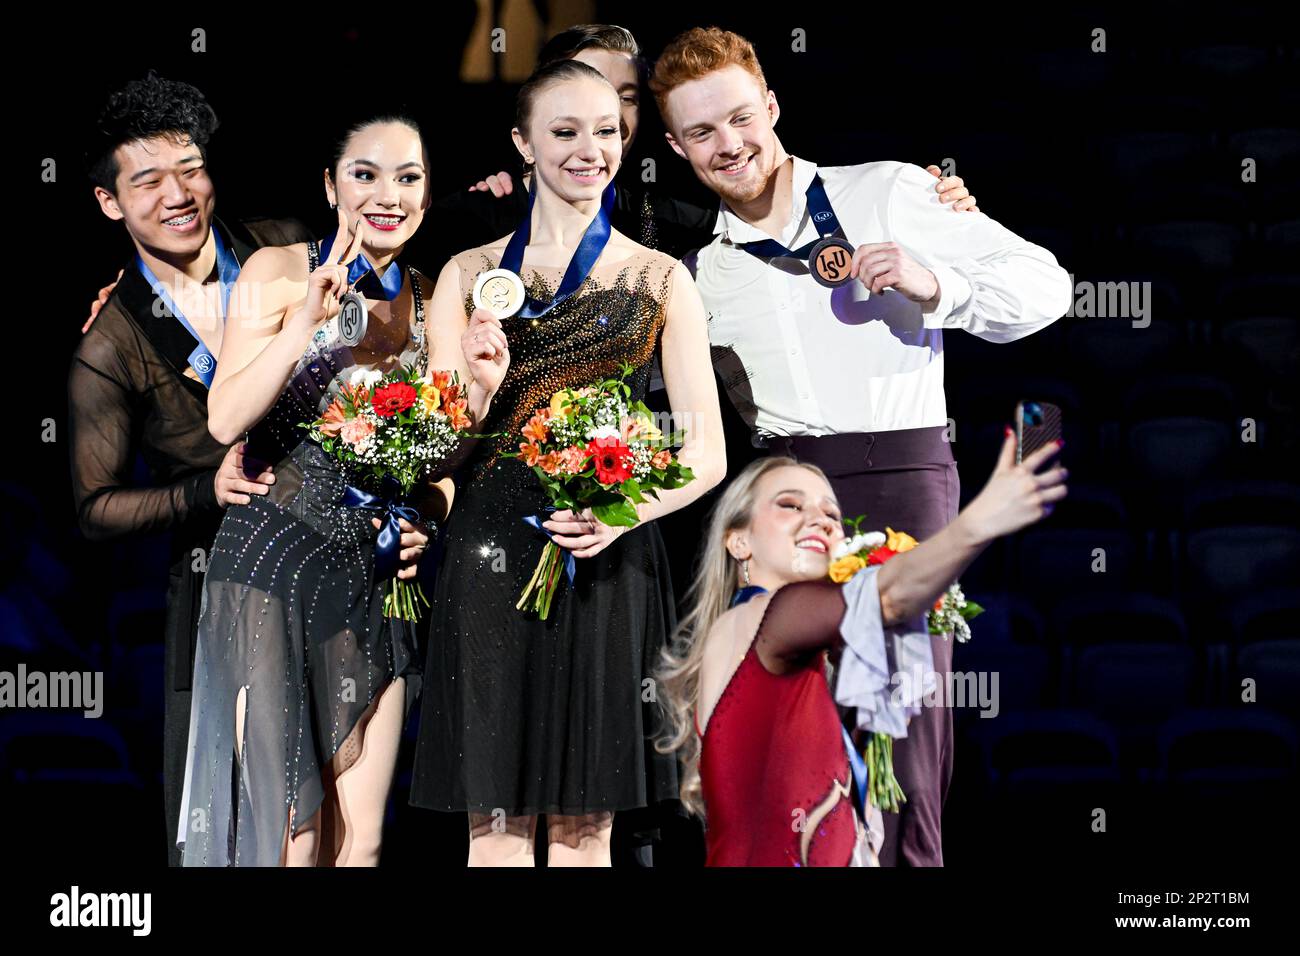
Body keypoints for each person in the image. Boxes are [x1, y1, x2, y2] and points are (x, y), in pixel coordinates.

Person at [650, 26, 1074, 866]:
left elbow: (1049, 288)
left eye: (741, 117)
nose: (729, 144)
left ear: (771, 104)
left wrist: (936, 282)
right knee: (791, 742)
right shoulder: (700, 274)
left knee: (903, 743)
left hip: (902, 483)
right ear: (675, 145)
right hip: (783, 507)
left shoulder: (889, 192)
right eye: (701, 132)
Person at [408, 58, 726, 866]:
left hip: (610, 559)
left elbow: (705, 452)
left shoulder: (661, 280)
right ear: (522, 142)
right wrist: (477, 391)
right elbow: (437, 449)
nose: (591, 148)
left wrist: (621, 512)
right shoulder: (468, 274)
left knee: (589, 835)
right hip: (488, 553)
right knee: (498, 830)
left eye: (607, 131)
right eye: (565, 131)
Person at [176, 114, 450, 866]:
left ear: (427, 195)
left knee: (359, 842)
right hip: (269, 563)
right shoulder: (276, 270)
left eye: (408, 177)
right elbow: (226, 414)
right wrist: (304, 322)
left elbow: (446, 461)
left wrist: (428, 512)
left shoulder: (434, 301)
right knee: (288, 832)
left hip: (369, 576)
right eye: (365, 174)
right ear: (331, 186)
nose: (387, 194)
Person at [69, 71, 311, 866]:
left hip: (341, 553)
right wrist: (199, 491)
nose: (178, 194)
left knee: (342, 815)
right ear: (110, 202)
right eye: (147, 181)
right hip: (223, 583)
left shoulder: (281, 247)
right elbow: (93, 508)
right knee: (240, 819)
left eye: (191, 168)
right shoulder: (110, 342)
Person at [656, 432, 1068, 865]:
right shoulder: (764, 617)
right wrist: (977, 523)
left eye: (831, 512)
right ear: (739, 540)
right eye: (790, 505)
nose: (821, 520)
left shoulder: (775, 640)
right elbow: (889, 597)